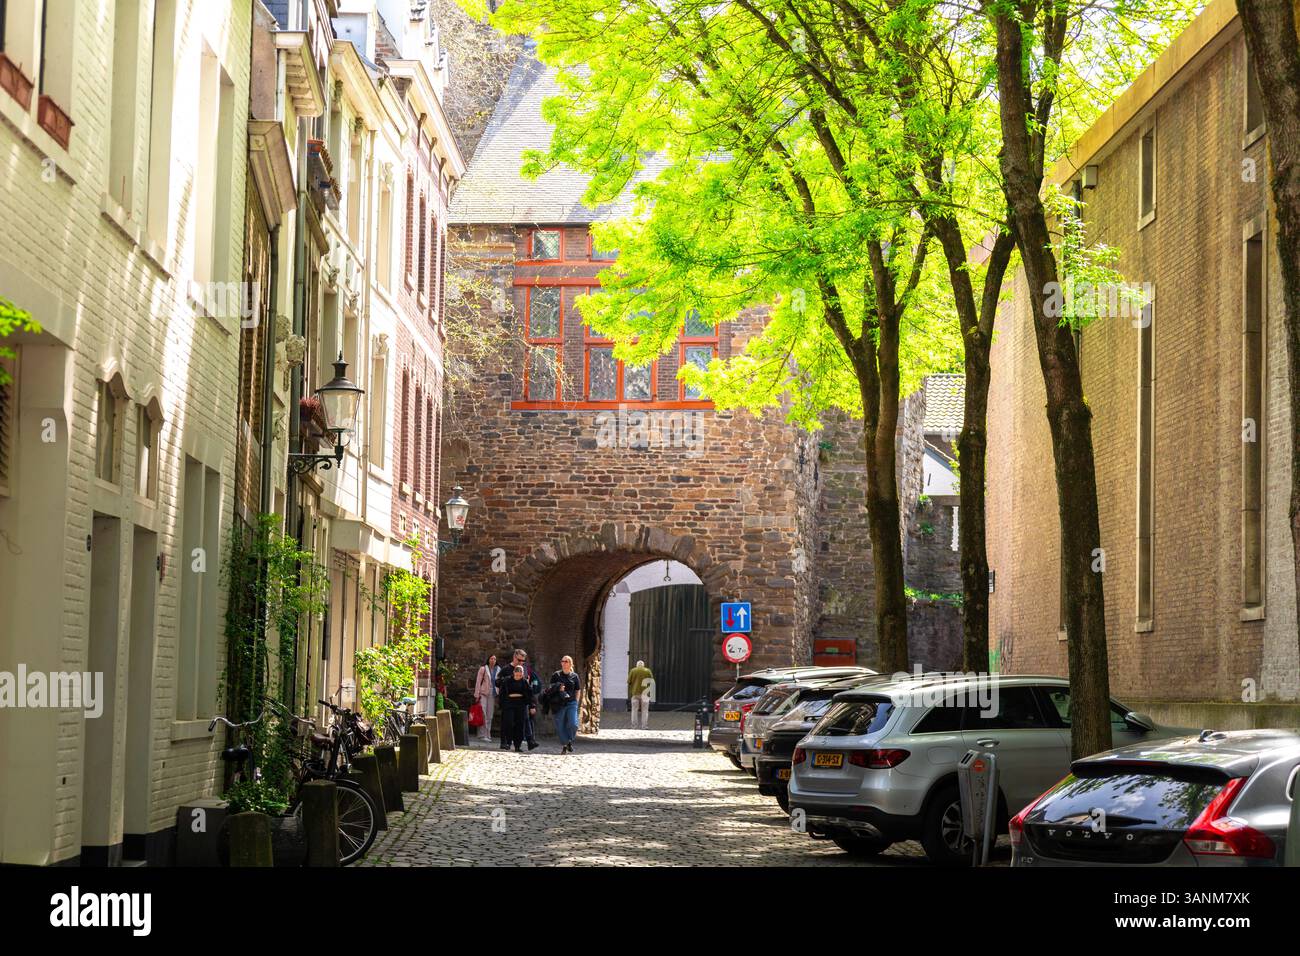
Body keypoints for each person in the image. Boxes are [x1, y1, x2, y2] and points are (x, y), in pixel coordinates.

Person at [497, 648, 541, 750]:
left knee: (522, 723)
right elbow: (497, 682)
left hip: (521, 702)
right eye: (519, 660)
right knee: (507, 722)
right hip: (508, 701)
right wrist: (509, 679)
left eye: (523, 661)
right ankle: (505, 742)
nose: (521, 663)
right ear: (514, 657)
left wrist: (531, 704)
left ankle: (520, 744)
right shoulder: (506, 669)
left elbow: (528, 689)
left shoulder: (524, 669)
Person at [549, 656, 582, 754]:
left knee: (573, 724)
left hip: (571, 703)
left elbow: (578, 690)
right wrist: (558, 688)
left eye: (566, 661)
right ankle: (565, 744)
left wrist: (576, 701)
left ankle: (569, 740)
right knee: (560, 726)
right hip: (559, 704)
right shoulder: (556, 675)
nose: (563, 663)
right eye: (562, 661)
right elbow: (550, 688)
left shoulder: (574, 676)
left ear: (570, 664)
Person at [500, 664, 536, 752]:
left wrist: (532, 706)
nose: (518, 677)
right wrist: (503, 704)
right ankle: (508, 742)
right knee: (509, 723)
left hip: (521, 704)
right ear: (513, 673)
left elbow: (530, 695)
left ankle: (517, 745)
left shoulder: (524, 682)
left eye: (520, 675)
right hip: (509, 704)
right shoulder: (507, 681)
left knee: (520, 725)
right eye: (517, 675)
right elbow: (502, 694)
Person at [473, 654, 500, 742]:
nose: (493, 660)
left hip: (492, 694)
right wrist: (476, 695)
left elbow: (500, 682)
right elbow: (478, 682)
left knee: (490, 714)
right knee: (483, 713)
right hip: (483, 693)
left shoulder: (498, 669)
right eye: (491, 658)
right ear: (488, 659)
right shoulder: (483, 669)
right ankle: (481, 734)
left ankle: (488, 734)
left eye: (495, 659)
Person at [627, 659, 654, 730]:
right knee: (645, 711)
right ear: (643, 665)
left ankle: (634, 726)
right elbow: (652, 682)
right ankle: (644, 726)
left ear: (637, 665)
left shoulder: (633, 671)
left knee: (634, 710)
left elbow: (629, 682)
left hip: (635, 693)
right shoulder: (647, 671)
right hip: (645, 693)